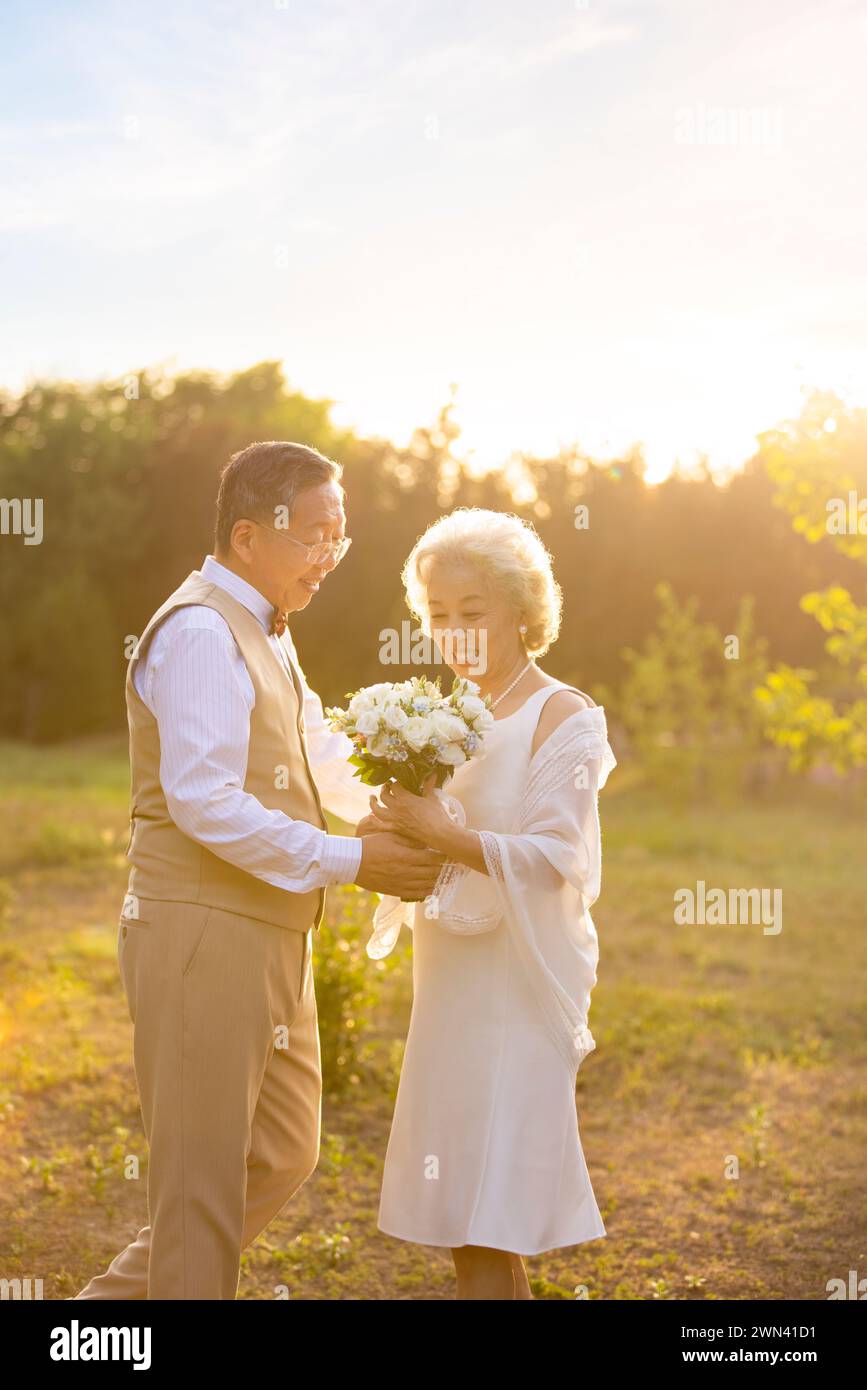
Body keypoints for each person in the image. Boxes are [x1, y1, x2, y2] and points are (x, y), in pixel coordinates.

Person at [74, 440, 444, 1300]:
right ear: (247, 535)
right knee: (200, 1187)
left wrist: (415, 814)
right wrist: (354, 861)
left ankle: (100, 1319)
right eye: (315, 535)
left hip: (275, 932)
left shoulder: (271, 630)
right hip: (201, 935)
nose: (330, 555)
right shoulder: (202, 632)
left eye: (339, 538)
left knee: (281, 1151)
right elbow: (203, 800)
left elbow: (316, 754)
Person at [362, 507, 617, 1300]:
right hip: (449, 981)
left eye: (472, 612)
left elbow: (556, 860)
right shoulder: (443, 719)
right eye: (437, 614)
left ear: (520, 609)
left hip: (515, 983)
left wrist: (442, 833)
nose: (454, 632)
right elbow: (433, 846)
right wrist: (391, 827)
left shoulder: (560, 714)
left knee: (487, 1215)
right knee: (468, 1220)